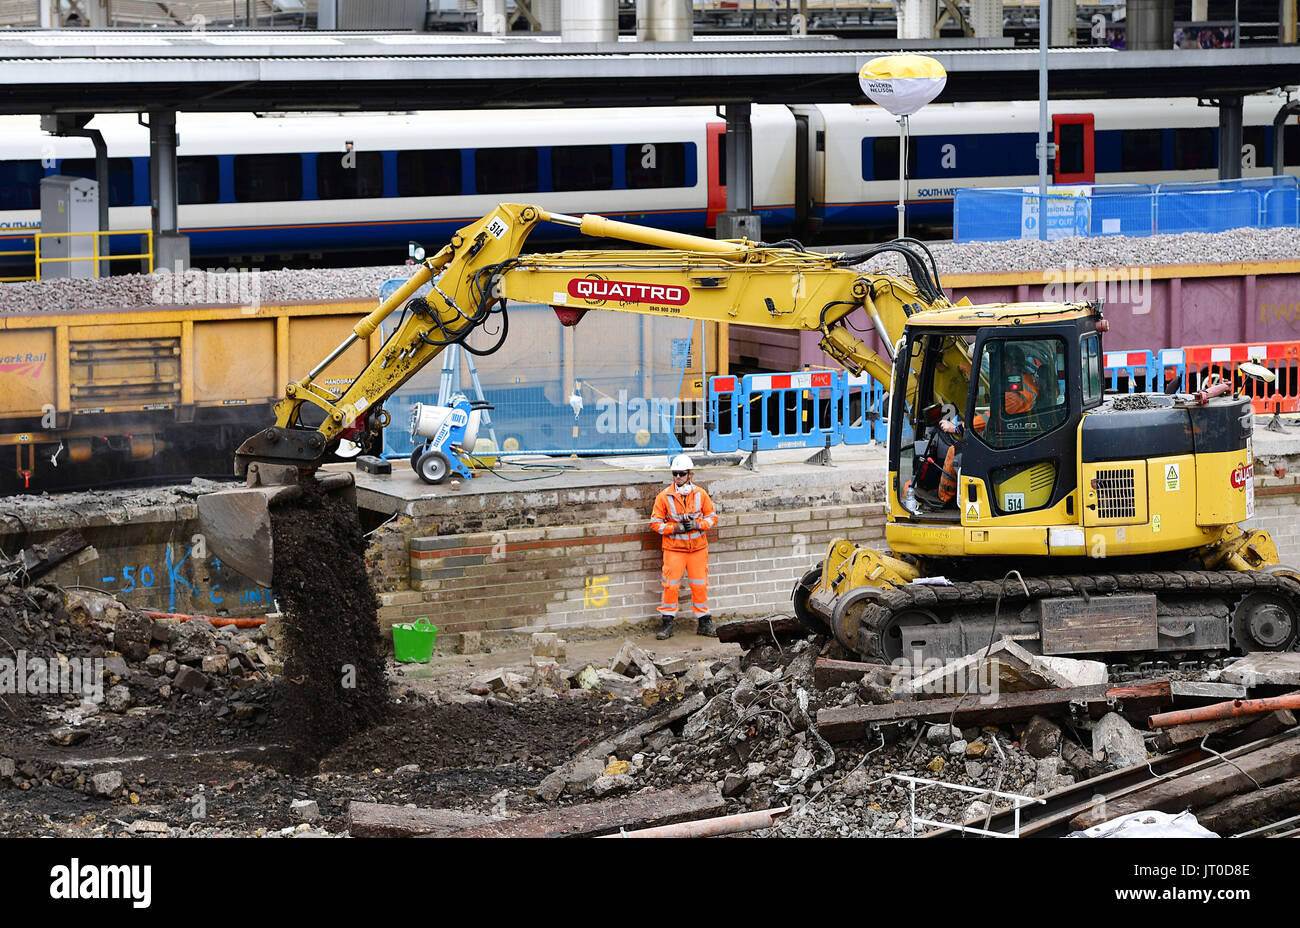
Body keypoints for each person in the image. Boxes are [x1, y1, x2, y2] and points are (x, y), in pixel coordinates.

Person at [650, 454, 718, 639]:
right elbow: (655, 523)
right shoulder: (664, 497)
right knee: (670, 586)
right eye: (675, 474)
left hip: (697, 549)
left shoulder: (700, 494)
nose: (678, 477)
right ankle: (667, 624)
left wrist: (698, 525)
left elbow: (712, 517)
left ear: (690, 474)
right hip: (674, 550)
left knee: (700, 586)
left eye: (681, 474)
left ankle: (704, 622)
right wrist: (676, 528)